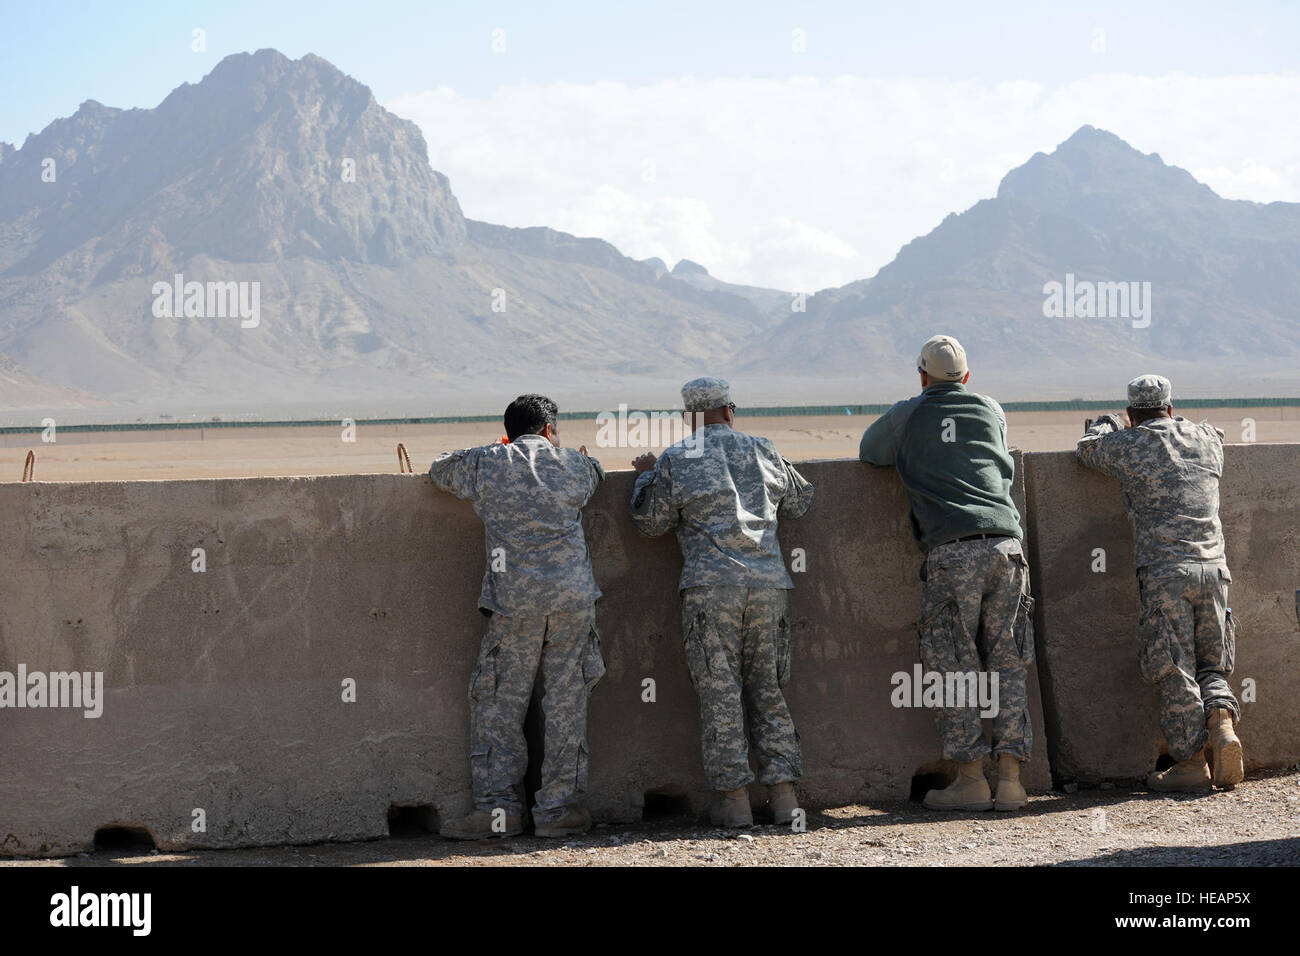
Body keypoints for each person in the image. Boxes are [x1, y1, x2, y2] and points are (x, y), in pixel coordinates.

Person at [859, 334, 1034, 812]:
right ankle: (1013, 781)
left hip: (953, 552)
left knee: (956, 666)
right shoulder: (991, 408)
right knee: (1009, 661)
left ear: (921, 376)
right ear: (967, 377)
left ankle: (971, 780)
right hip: (1007, 546)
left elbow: (869, 451)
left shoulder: (908, 412)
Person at [629, 377, 813, 827]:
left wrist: (646, 477)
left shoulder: (677, 458)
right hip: (768, 587)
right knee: (768, 688)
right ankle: (785, 797)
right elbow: (800, 501)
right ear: (730, 410)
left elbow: (651, 524)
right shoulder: (764, 448)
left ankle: (734, 803)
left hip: (712, 590)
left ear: (687, 419)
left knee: (720, 693)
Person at [429, 394, 607, 838]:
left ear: (510, 431)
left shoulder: (487, 462)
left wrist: (496, 448)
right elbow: (597, 473)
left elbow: (439, 469)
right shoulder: (574, 466)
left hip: (515, 601)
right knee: (566, 703)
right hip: (572, 600)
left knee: (499, 704)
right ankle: (558, 810)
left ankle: (499, 813)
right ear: (550, 429)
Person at [1075, 374, 1243, 791]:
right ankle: (1223, 726)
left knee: (1174, 667)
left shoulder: (1131, 444)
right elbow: (1214, 432)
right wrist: (1180, 423)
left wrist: (1108, 425)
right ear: (1170, 408)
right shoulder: (1205, 439)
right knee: (1212, 663)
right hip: (1214, 569)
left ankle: (1190, 764)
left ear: (1133, 414)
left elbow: (1088, 450)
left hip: (1166, 573)